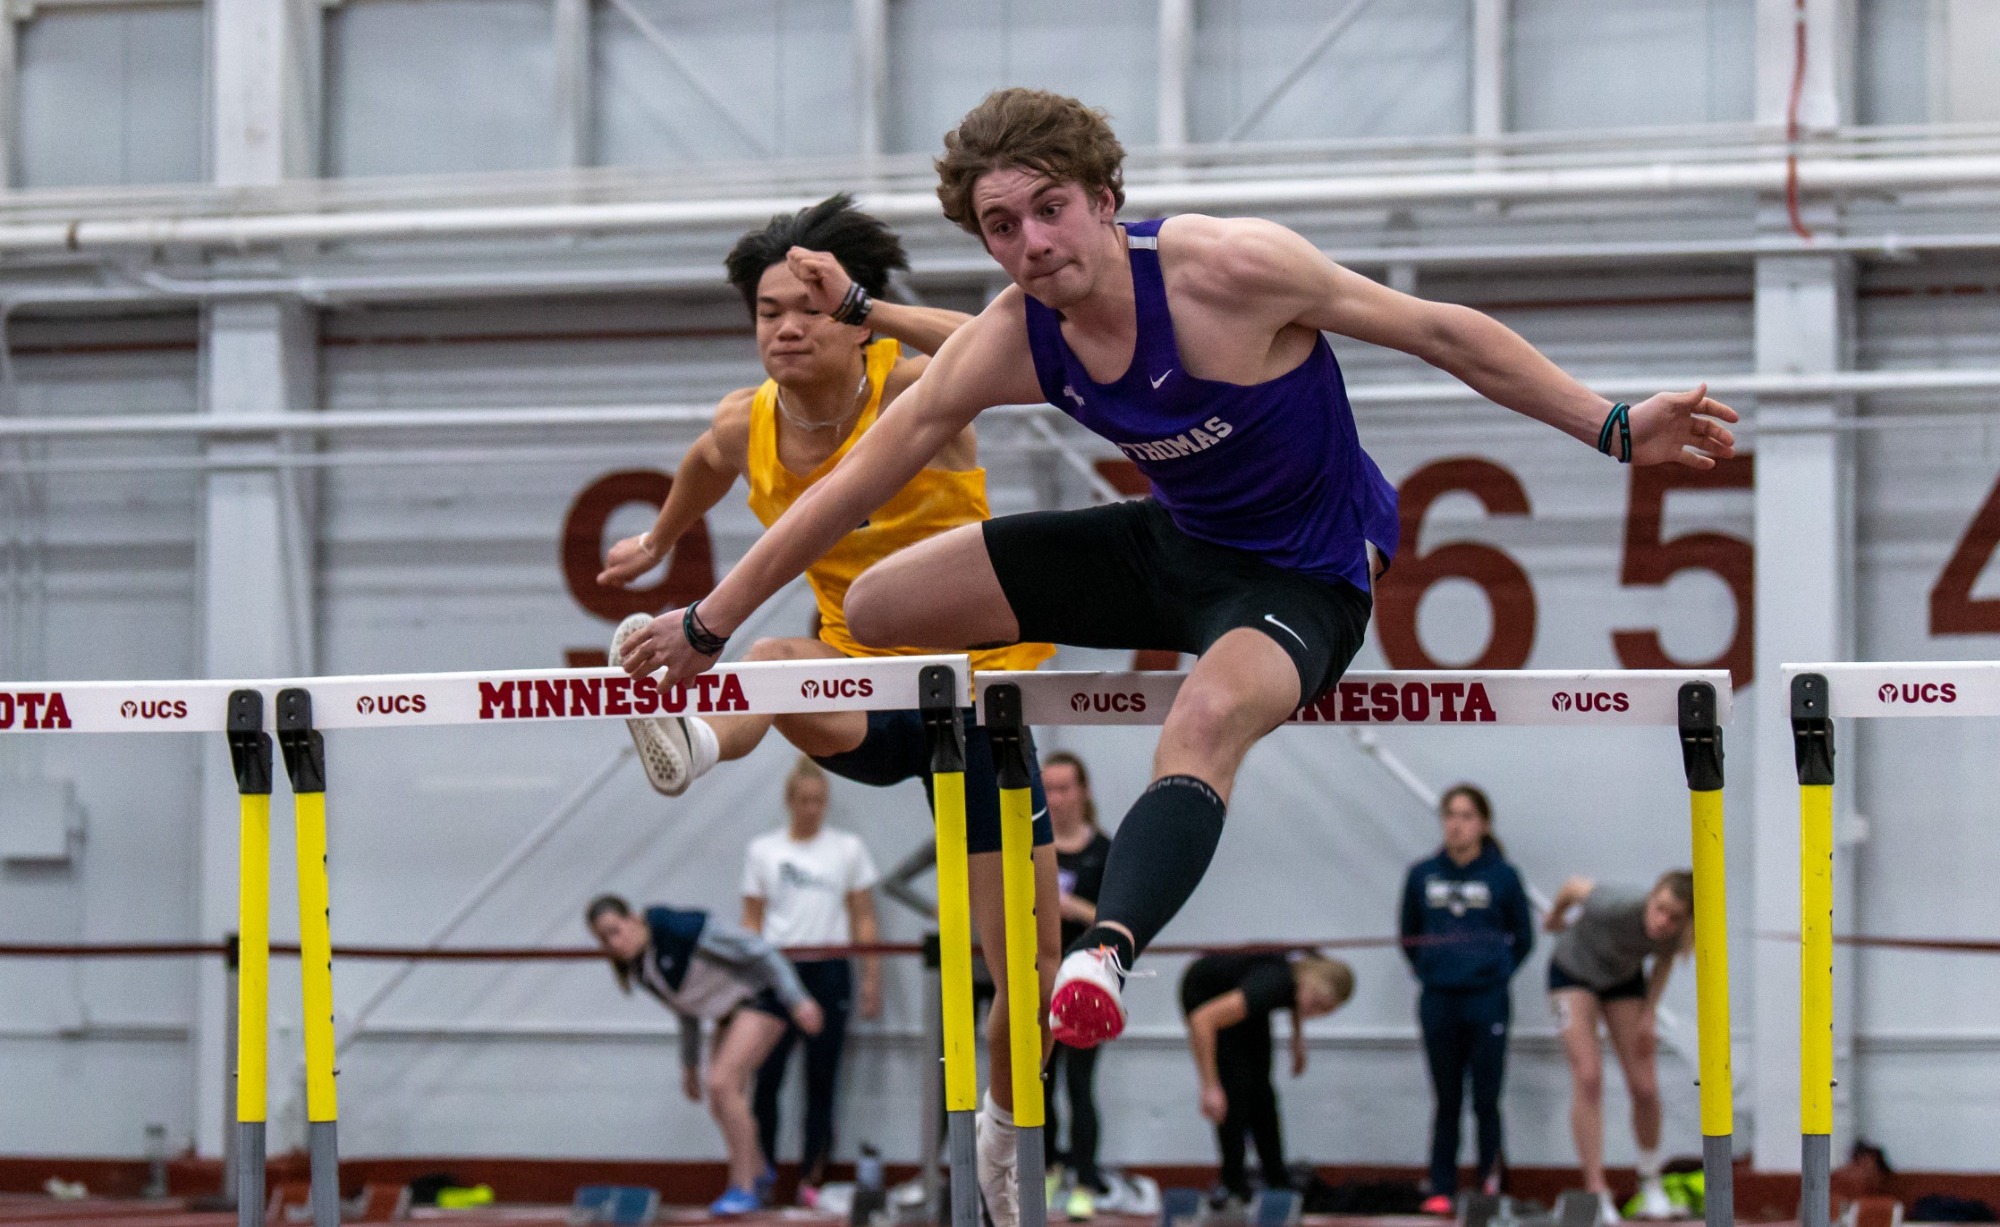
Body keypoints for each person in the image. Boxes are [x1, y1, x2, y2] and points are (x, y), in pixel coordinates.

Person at [614, 91, 1736, 1225]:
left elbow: (1442, 331)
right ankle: (919, 749)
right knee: (890, 598)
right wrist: (704, 623)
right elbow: (857, 481)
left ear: (1105, 199)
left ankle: (1102, 957)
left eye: (1050, 211)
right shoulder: (1015, 331)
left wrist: (1604, 421)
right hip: (1170, 545)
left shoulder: (1226, 269)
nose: (1032, 246)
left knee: (1199, 727)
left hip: (1300, 576)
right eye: (1001, 228)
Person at [597, 194, 1061, 1227]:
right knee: (772, 655)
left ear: (852, 316)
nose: (785, 330)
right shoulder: (743, 421)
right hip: (858, 698)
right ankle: (695, 743)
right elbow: (704, 468)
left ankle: (996, 1122)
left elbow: (1028, 335)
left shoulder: (920, 390)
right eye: (767, 312)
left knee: (1020, 986)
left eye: (807, 310)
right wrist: (665, 542)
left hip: (976, 706)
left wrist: (876, 308)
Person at [585, 894, 825, 1216]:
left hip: (762, 999)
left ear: (633, 919)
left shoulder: (680, 928)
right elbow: (687, 1010)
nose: (614, 943)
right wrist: (688, 1064)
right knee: (719, 1099)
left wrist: (798, 998)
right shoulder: (643, 970)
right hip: (728, 1016)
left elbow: (761, 950)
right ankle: (757, 1168)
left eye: (616, 930)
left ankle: (744, 1185)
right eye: (604, 939)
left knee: (721, 1084)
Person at [740, 758, 883, 1205]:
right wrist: (746, 985)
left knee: (822, 1081)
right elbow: (751, 921)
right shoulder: (764, 851)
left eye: (818, 801)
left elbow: (863, 914)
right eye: (803, 800)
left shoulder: (847, 849)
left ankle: (812, 1181)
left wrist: (871, 977)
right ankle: (760, 1174)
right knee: (767, 1078)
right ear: (789, 802)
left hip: (830, 969)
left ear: (826, 803)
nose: (810, 808)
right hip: (779, 971)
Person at [1399, 785, 1534, 1214]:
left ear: (1483, 824)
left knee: (1486, 1100)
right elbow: (1409, 933)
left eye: (1466, 815)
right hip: (1438, 1000)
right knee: (1447, 1099)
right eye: (1450, 815)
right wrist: (1430, 970)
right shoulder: (1422, 874)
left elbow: (1524, 937)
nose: (1456, 824)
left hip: (1487, 1001)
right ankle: (1441, 1187)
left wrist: (1494, 972)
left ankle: (1488, 1186)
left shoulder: (1504, 876)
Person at [1542, 872, 1696, 1224]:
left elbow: (1663, 961)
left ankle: (1650, 1185)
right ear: (1651, 897)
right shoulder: (1617, 902)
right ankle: (1597, 1191)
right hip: (1572, 973)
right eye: (1660, 910)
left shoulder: (1676, 933)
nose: (1663, 922)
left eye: (1674, 917)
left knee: (1645, 1086)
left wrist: (1649, 1013)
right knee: (1589, 1077)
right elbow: (1571, 886)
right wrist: (1555, 916)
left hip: (1622, 980)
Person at [1180, 951, 1353, 1209]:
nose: (1315, 1014)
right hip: (1205, 996)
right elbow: (1201, 1021)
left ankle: (1276, 1178)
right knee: (1235, 1092)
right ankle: (1233, 1184)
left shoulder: (1296, 983)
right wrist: (1209, 1086)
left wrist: (1298, 1040)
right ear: (1312, 983)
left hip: (1239, 997)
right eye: (1317, 1005)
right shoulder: (1271, 987)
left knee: (1263, 1091)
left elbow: (1297, 1002)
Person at [1041, 752, 1113, 1219]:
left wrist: (1074, 908)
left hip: (1086, 979)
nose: (1058, 799)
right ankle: (1045, 1170)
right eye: (1048, 789)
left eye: (1066, 788)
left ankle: (1086, 1179)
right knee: (1039, 1084)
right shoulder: (1032, 848)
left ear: (1083, 792)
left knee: (1080, 1086)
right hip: (1038, 979)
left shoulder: (1105, 851)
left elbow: (1117, 920)